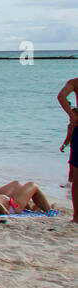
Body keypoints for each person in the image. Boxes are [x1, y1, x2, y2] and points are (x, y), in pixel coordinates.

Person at [58, 76, 78, 222]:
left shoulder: (75, 82)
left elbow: (61, 96)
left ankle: (77, 216)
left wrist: (72, 116)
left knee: (77, 178)